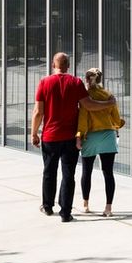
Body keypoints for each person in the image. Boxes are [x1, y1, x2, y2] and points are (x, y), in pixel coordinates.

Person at [31, 51, 86, 222]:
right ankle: (66, 212)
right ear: (68, 66)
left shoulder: (44, 82)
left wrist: (34, 133)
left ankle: (47, 206)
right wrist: (108, 103)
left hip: (50, 136)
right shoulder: (76, 82)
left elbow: (38, 112)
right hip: (70, 137)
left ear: (53, 65)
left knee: (49, 172)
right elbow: (87, 105)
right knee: (69, 174)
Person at [77, 67, 123, 215]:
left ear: (87, 79)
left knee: (87, 171)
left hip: (90, 137)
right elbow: (116, 118)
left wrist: (79, 135)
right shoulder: (109, 95)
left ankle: (86, 204)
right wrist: (119, 124)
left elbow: (83, 119)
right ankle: (108, 208)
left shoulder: (85, 97)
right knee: (108, 173)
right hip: (108, 136)